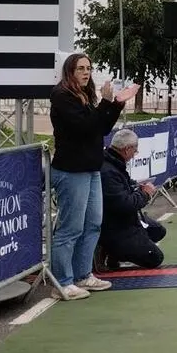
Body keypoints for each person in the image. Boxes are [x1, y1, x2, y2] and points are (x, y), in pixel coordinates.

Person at [49, 53, 138, 301]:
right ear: (70, 71)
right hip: (71, 170)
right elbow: (85, 127)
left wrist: (116, 103)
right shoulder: (61, 96)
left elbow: (102, 127)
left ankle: (82, 274)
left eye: (88, 68)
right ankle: (62, 282)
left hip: (91, 168)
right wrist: (106, 103)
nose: (86, 72)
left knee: (93, 223)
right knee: (70, 227)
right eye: (80, 68)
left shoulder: (86, 96)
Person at [97, 128, 166, 271]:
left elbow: (123, 191)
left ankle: (118, 251)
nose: (135, 155)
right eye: (135, 151)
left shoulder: (114, 163)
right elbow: (125, 204)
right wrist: (145, 194)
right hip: (115, 226)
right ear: (127, 149)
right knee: (155, 258)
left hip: (124, 221)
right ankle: (110, 249)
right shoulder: (109, 171)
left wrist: (135, 187)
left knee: (158, 230)